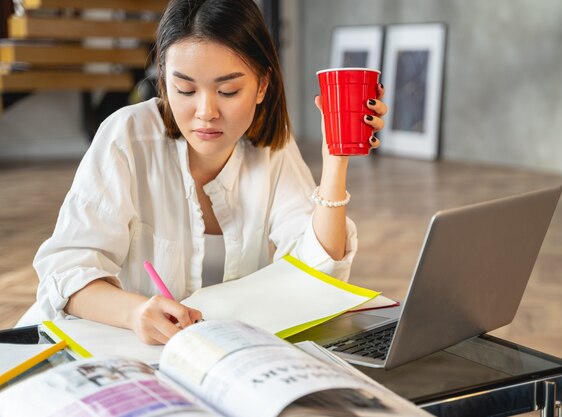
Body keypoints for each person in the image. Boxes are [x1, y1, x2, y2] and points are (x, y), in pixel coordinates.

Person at [30, 0, 386, 345]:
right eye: (184, 89)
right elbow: (65, 272)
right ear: (164, 80)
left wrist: (336, 162)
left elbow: (320, 272)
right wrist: (135, 313)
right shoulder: (126, 138)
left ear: (262, 85)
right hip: (127, 354)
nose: (206, 112)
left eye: (228, 90)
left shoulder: (270, 148)